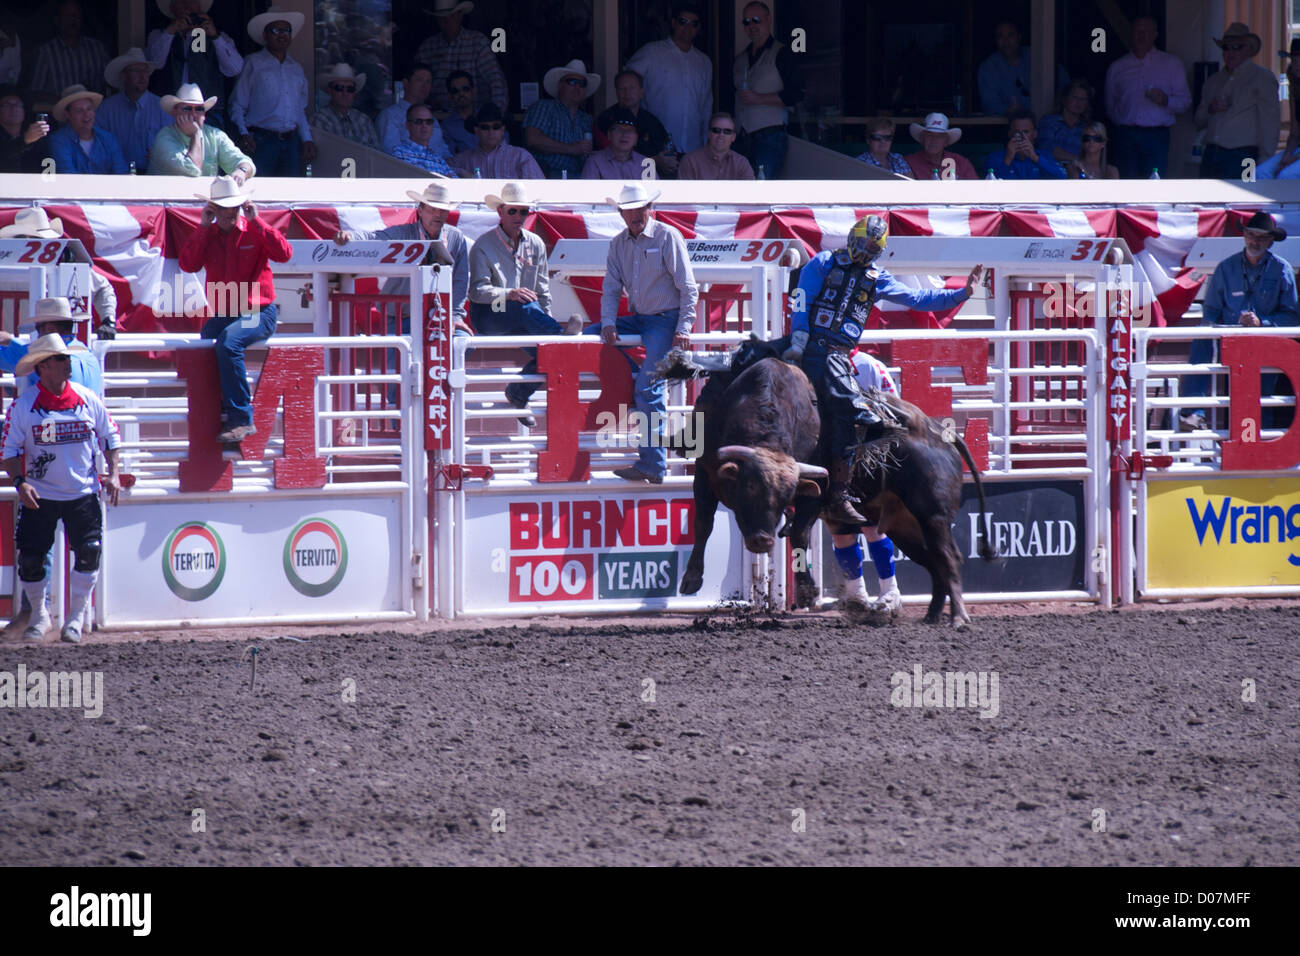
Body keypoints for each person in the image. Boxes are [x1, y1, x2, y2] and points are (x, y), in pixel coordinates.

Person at [782, 216, 982, 524]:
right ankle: (826, 490)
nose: (864, 251)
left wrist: (962, 294)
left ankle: (837, 491)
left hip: (837, 355)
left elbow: (917, 298)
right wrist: (798, 336)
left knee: (847, 416)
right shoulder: (823, 262)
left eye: (871, 247)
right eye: (862, 243)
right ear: (852, 238)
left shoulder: (877, 278)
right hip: (810, 347)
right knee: (849, 407)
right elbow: (802, 299)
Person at [2, 326, 121, 644]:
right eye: (60, 358)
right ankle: (40, 615)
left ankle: (75, 617)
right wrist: (19, 482)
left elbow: (110, 436)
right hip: (40, 493)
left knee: (89, 552)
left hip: (82, 491)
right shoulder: (24, 407)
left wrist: (115, 472)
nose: (67, 363)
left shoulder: (88, 400)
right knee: (30, 557)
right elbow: (9, 451)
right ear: (43, 366)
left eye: (66, 358)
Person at [177, 176, 292, 443]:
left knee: (228, 342)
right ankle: (216, 404)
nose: (230, 214)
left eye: (234, 207)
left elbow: (284, 253)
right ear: (214, 210)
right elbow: (188, 264)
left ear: (241, 207)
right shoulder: (209, 235)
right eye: (223, 208)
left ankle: (241, 417)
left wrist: (257, 221)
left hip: (259, 312)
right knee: (207, 338)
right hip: (229, 313)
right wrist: (203, 227)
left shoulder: (255, 229)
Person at [600, 183, 698, 483]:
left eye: (639, 209)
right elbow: (612, 288)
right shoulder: (619, 244)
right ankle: (637, 379)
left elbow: (688, 286)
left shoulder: (667, 236)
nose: (635, 214)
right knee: (591, 338)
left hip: (663, 320)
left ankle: (654, 464)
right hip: (644, 319)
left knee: (649, 387)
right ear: (621, 213)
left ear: (649, 210)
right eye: (629, 210)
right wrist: (607, 322)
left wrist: (683, 326)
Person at [469, 182, 582, 427]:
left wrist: (545, 323)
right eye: (513, 211)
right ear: (500, 212)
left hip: (523, 313)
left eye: (524, 211)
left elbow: (542, 291)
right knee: (526, 307)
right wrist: (509, 293)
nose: (519, 216)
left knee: (550, 353)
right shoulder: (482, 245)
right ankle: (562, 341)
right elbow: (477, 292)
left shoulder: (536, 244)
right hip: (491, 312)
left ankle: (520, 392)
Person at [1180, 212, 1299, 432]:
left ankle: (1262, 448)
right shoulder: (1226, 268)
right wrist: (1218, 327)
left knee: (1259, 399)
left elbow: (1291, 316)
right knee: (1202, 338)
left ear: (1271, 241)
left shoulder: (1282, 270)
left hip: (1266, 341)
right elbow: (1212, 310)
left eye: (1262, 237)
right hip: (1230, 338)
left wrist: (1261, 323)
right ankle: (1193, 411)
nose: (1255, 241)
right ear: (1244, 236)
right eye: (1251, 235)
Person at [333, 180, 471, 338]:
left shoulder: (456, 237)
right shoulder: (403, 234)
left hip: (438, 317)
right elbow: (375, 237)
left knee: (462, 341)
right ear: (420, 210)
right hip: (400, 317)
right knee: (399, 356)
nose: (438, 215)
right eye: (432, 209)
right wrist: (350, 236)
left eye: (443, 211)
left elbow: (460, 280)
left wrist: (455, 317)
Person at [832, 348, 903, 615]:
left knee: (872, 527)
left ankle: (889, 591)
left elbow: (893, 406)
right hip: (837, 459)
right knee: (841, 530)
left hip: (867, 458)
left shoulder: (869, 366)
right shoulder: (821, 363)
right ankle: (856, 593)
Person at [0, 208, 117, 337]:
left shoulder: (65, 268)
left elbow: (103, 288)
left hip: (47, 345)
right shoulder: (64, 267)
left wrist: (108, 320)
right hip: (12, 345)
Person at [231, 7, 315, 177]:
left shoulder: (296, 68)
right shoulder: (253, 63)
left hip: (291, 141)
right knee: (258, 191)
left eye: (286, 30)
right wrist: (244, 134)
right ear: (265, 35)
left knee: (290, 194)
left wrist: (307, 139)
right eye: (276, 30)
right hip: (262, 140)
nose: (282, 34)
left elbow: (299, 110)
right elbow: (238, 104)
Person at [1103, 16, 1191, 179]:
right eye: (1137, 31)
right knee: (1126, 185)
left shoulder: (1171, 64)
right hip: (1126, 136)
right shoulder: (1117, 67)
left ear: (1155, 34)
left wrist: (1166, 100)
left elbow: (1185, 101)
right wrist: (1124, 122)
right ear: (1131, 34)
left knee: (1154, 186)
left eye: (1146, 31)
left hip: (1156, 136)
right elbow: (1110, 105)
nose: (1141, 35)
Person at [624, 3, 712, 158]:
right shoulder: (651, 52)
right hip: (655, 147)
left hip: (693, 148)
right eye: (682, 21)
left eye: (694, 24)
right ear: (673, 23)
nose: (688, 27)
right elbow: (626, 84)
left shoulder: (704, 62)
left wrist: (706, 144)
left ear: (699, 28)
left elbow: (706, 106)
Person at [1195, 23, 1278, 180]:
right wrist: (1211, 109)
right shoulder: (1213, 80)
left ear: (1248, 49)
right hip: (1211, 153)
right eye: (1226, 48)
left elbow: (1270, 122)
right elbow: (1198, 120)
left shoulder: (1262, 77)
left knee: (1244, 201)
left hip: (1245, 155)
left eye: (1237, 47)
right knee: (1208, 202)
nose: (1231, 52)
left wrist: (1265, 161)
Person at [732, 1, 804, 179]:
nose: (751, 26)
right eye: (746, 22)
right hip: (741, 137)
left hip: (770, 137)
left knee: (761, 189)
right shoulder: (740, 58)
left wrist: (760, 99)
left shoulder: (783, 53)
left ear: (769, 19)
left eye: (756, 20)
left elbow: (796, 94)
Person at [146, 0, 243, 130]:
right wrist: (171, 30)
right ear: (172, 8)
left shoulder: (213, 37)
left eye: (192, 1)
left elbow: (234, 69)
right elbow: (155, 63)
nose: (187, 6)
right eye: (182, 2)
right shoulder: (160, 35)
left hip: (207, 113)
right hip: (169, 111)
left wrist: (215, 37)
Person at [416, 0, 508, 113]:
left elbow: (496, 81)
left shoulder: (477, 42)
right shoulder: (427, 48)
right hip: (436, 120)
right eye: (441, 18)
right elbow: (417, 85)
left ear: (460, 16)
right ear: (437, 20)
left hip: (473, 120)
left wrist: (494, 115)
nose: (446, 21)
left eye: (451, 16)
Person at [148, 82, 253, 181]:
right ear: (175, 112)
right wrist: (196, 134)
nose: (193, 114)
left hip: (203, 197)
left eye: (199, 109)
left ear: (204, 114)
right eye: (187, 108)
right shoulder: (164, 137)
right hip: (167, 198)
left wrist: (241, 171)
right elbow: (192, 171)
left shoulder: (215, 135)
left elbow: (244, 161)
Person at [523, 59, 599, 180]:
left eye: (582, 84)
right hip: (546, 176)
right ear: (560, 85)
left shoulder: (587, 119)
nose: (577, 87)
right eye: (572, 81)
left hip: (581, 178)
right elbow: (533, 139)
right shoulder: (544, 107)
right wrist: (571, 148)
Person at [97, 47, 169, 173]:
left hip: (154, 176)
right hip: (117, 177)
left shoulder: (163, 107)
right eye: (136, 71)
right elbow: (98, 147)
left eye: (145, 71)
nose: (142, 76)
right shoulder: (107, 109)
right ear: (123, 76)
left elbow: (172, 145)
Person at [976, 20, 1067, 115]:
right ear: (995, 41)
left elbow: (1065, 86)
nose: (1006, 41)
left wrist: (1057, 105)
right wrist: (1006, 110)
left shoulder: (1037, 56)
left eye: (1010, 35)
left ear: (1019, 37)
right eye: (1000, 36)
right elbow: (989, 104)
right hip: (1005, 125)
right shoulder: (988, 67)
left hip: (1046, 122)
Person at [594, 70, 672, 175]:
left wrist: (668, 161)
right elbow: (612, 157)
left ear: (641, 92)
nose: (627, 93)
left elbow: (665, 148)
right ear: (616, 92)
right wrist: (653, 161)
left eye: (632, 88)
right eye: (622, 89)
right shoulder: (605, 120)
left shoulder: (652, 121)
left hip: (649, 180)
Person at [30, 0, 109, 100]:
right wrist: (64, 102)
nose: (73, 20)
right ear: (57, 20)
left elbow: (110, 83)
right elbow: (36, 91)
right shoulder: (45, 53)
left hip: (92, 112)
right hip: (60, 113)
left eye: (77, 16)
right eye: (68, 16)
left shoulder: (97, 49)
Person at [47, 84, 128, 175]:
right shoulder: (59, 141)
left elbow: (121, 174)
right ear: (67, 115)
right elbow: (69, 178)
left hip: (109, 189)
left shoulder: (108, 138)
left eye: (89, 109)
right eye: (79, 111)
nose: (86, 114)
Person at [450, 103, 542, 179]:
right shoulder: (462, 160)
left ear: (503, 130)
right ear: (477, 131)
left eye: (496, 127)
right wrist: (461, 172)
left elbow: (538, 189)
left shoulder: (521, 157)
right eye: (485, 127)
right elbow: (440, 172)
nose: (491, 132)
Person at [378, 64, 447, 157]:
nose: (425, 86)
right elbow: (391, 155)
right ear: (405, 83)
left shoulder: (431, 118)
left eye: (428, 82)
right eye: (419, 80)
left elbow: (445, 153)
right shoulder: (389, 116)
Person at [1256, 39, 1300, 181]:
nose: (1297, 64)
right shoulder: (1295, 88)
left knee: (1286, 176)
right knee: (1259, 173)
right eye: (1294, 60)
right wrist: (1286, 156)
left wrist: (1292, 160)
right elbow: (1294, 133)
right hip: (1297, 147)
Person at [312, 62, 379, 150]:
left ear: (354, 93)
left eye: (350, 89)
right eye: (339, 88)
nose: (345, 93)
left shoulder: (364, 120)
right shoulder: (320, 120)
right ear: (330, 91)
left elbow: (376, 154)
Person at [985, 109, 1067, 179]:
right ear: (1010, 133)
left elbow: (1062, 177)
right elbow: (992, 185)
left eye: (1025, 132)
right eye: (1017, 133)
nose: (1022, 136)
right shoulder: (995, 158)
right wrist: (1008, 158)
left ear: (1035, 134)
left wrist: (1034, 157)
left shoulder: (1045, 156)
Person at [678, 111, 754, 180]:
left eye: (727, 131)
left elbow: (749, 193)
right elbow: (685, 193)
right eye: (716, 130)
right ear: (708, 134)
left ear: (733, 137)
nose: (721, 135)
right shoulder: (690, 161)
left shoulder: (742, 163)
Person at [1036, 79, 1092, 173]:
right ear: (1064, 99)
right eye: (1075, 97)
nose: (1079, 102)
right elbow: (1046, 148)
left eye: (1083, 99)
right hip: (1049, 172)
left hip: (1077, 174)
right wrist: (1075, 159)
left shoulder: (1086, 128)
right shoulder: (1049, 121)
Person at [581, 108, 654, 180]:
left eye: (630, 130)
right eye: (619, 129)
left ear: (636, 139)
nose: (625, 134)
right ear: (609, 135)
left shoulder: (646, 164)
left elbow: (655, 191)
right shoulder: (594, 162)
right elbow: (588, 191)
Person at [391, 104, 458, 176]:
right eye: (419, 122)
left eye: (428, 122)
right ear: (408, 125)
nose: (424, 126)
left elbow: (454, 182)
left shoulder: (438, 158)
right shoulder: (399, 154)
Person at [905, 112, 976, 180]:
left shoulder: (961, 163)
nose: (934, 140)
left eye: (940, 137)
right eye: (929, 135)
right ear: (922, 139)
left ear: (946, 142)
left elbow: (976, 188)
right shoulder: (909, 163)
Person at [0, 85, 51, 174]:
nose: (13, 109)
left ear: (24, 110)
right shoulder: (29, 136)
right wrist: (24, 141)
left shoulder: (37, 137)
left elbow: (48, 167)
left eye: (18, 105)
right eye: (6, 105)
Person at [440, 70, 480, 155]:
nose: (461, 94)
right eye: (455, 91)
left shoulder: (487, 118)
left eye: (465, 89)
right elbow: (451, 159)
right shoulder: (446, 126)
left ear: (473, 91)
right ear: (450, 96)